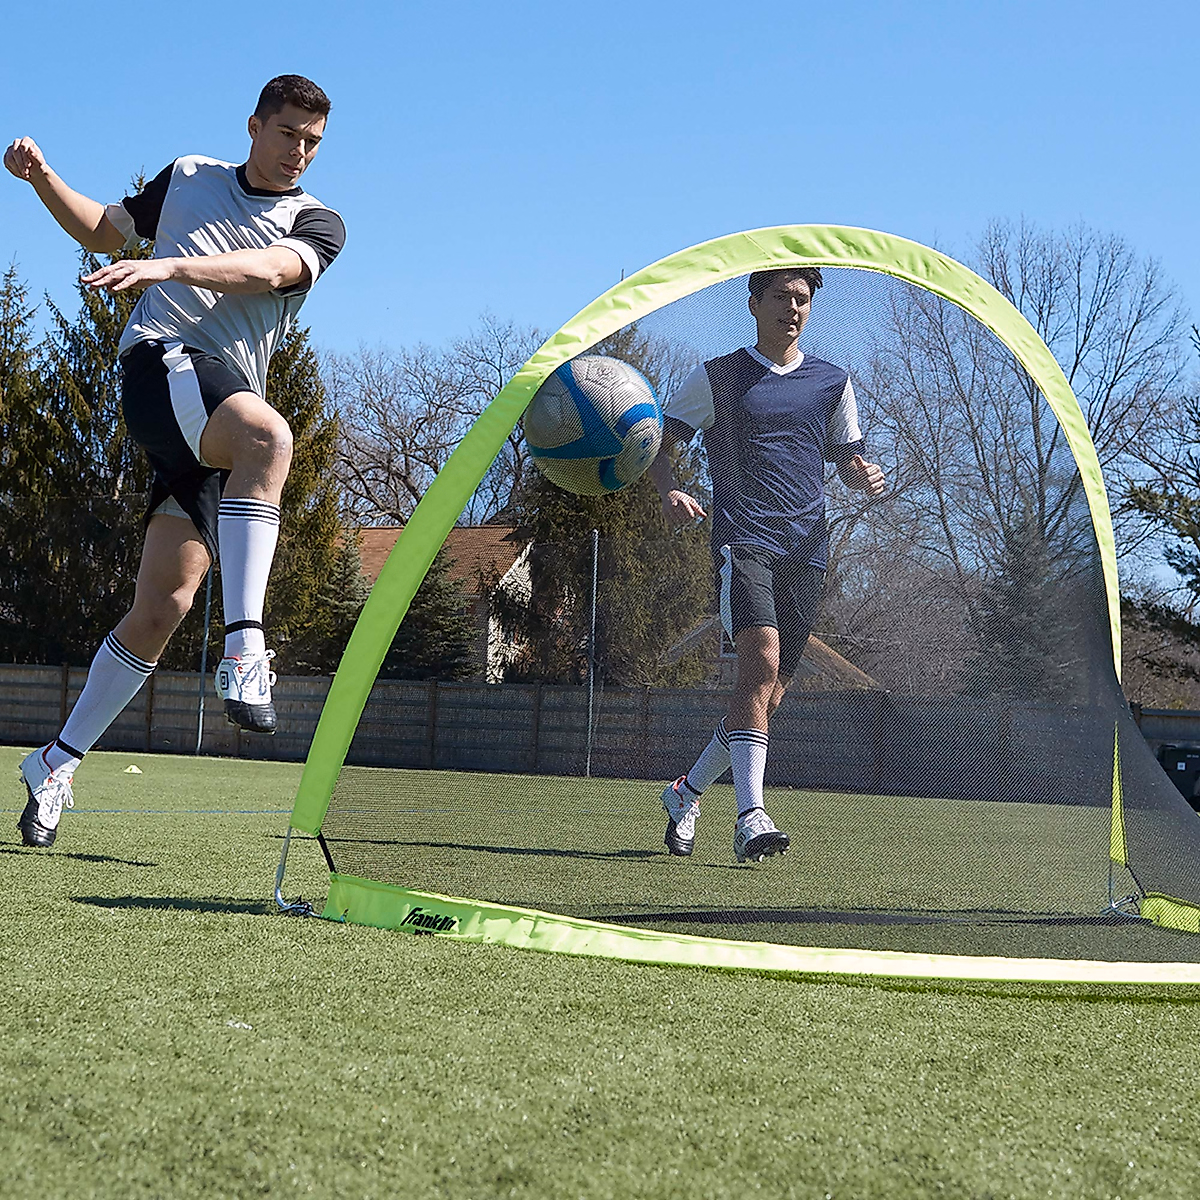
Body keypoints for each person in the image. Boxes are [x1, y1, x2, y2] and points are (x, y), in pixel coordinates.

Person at [7, 74, 345, 848]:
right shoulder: (189, 175)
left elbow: (270, 271)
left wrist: (168, 266)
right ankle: (247, 646)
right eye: (288, 133)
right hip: (162, 367)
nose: (300, 151)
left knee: (165, 605)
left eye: (313, 142)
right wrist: (43, 179)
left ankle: (54, 764)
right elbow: (107, 231)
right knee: (270, 439)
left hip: (215, 419)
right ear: (254, 126)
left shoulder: (318, 222)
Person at [648, 267, 886, 863]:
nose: (793, 307)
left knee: (768, 695)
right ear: (754, 303)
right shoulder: (718, 376)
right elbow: (657, 442)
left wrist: (862, 473)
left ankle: (686, 791)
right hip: (744, 539)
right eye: (781, 296)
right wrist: (668, 489)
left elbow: (847, 454)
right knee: (761, 664)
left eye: (803, 299)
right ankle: (750, 816)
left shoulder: (832, 382)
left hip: (808, 550)